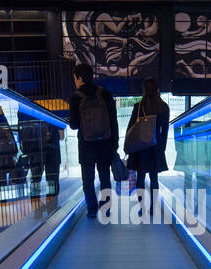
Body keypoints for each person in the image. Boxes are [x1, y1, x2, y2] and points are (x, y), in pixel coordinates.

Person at [69, 62, 118, 219]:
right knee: (104, 178)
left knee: (88, 180)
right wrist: (114, 144)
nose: (74, 81)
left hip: (86, 145)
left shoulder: (75, 97)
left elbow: (74, 125)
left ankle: (91, 209)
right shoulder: (105, 94)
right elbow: (113, 121)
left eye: (75, 78)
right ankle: (106, 209)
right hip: (105, 143)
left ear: (80, 78)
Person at [124, 77, 170, 199]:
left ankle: (142, 207)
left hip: (140, 147)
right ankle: (153, 207)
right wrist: (162, 148)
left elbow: (130, 128)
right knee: (154, 178)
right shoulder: (163, 107)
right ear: (157, 90)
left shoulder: (138, 107)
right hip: (156, 146)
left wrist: (127, 147)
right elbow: (165, 130)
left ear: (144, 90)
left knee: (140, 177)